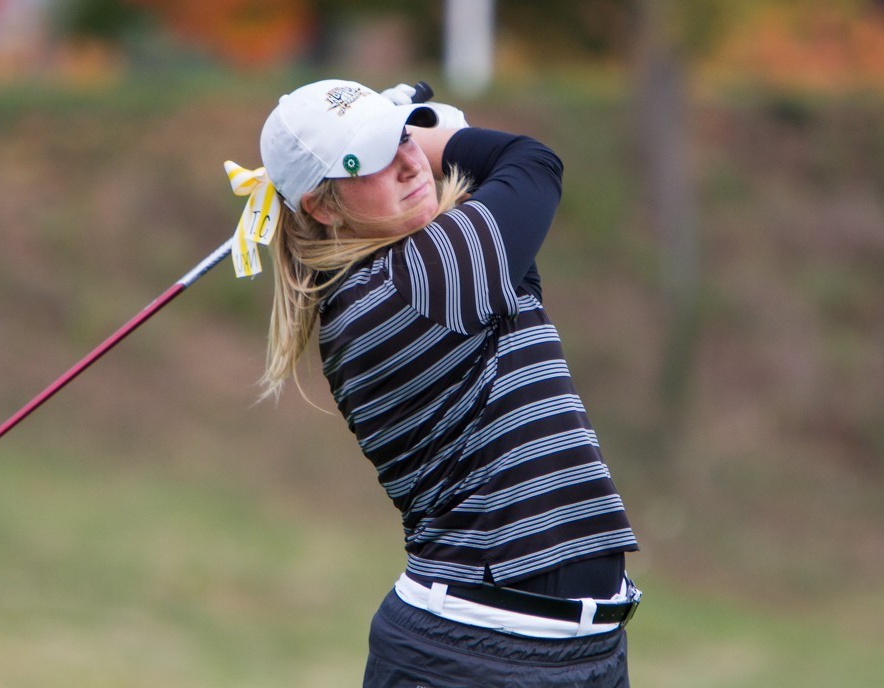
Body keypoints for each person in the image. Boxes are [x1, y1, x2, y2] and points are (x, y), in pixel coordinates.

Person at [225, 79, 641, 687]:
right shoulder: (411, 283)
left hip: (569, 651)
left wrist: (395, 129)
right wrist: (423, 129)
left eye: (402, 140)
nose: (406, 160)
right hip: (479, 653)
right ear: (319, 206)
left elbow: (489, 187)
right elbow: (530, 163)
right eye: (372, 156)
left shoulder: (423, 270)